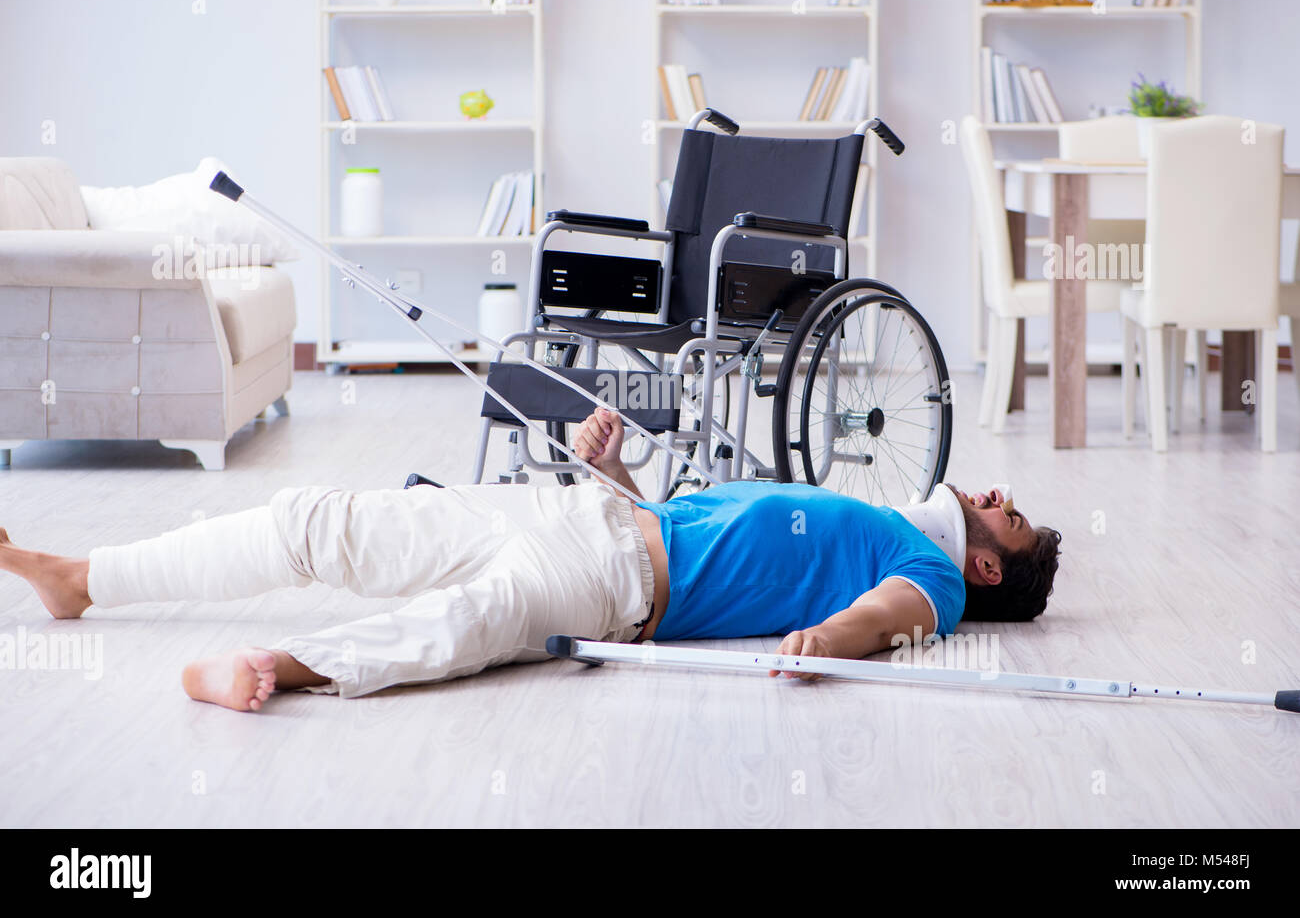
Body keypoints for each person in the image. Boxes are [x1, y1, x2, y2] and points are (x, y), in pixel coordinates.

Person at [0, 408, 1061, 712]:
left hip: (607, 590)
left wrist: (825, 642)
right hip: (584, 523)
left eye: (1008, 520)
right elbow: (688, 525)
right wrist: (613, 475)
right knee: (320, 522)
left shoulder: (925, 581)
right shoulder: (853, 510)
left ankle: (278, 664)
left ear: (984, 571)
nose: (996, 497)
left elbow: (880, 619)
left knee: (460, 629)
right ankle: (84, 578)